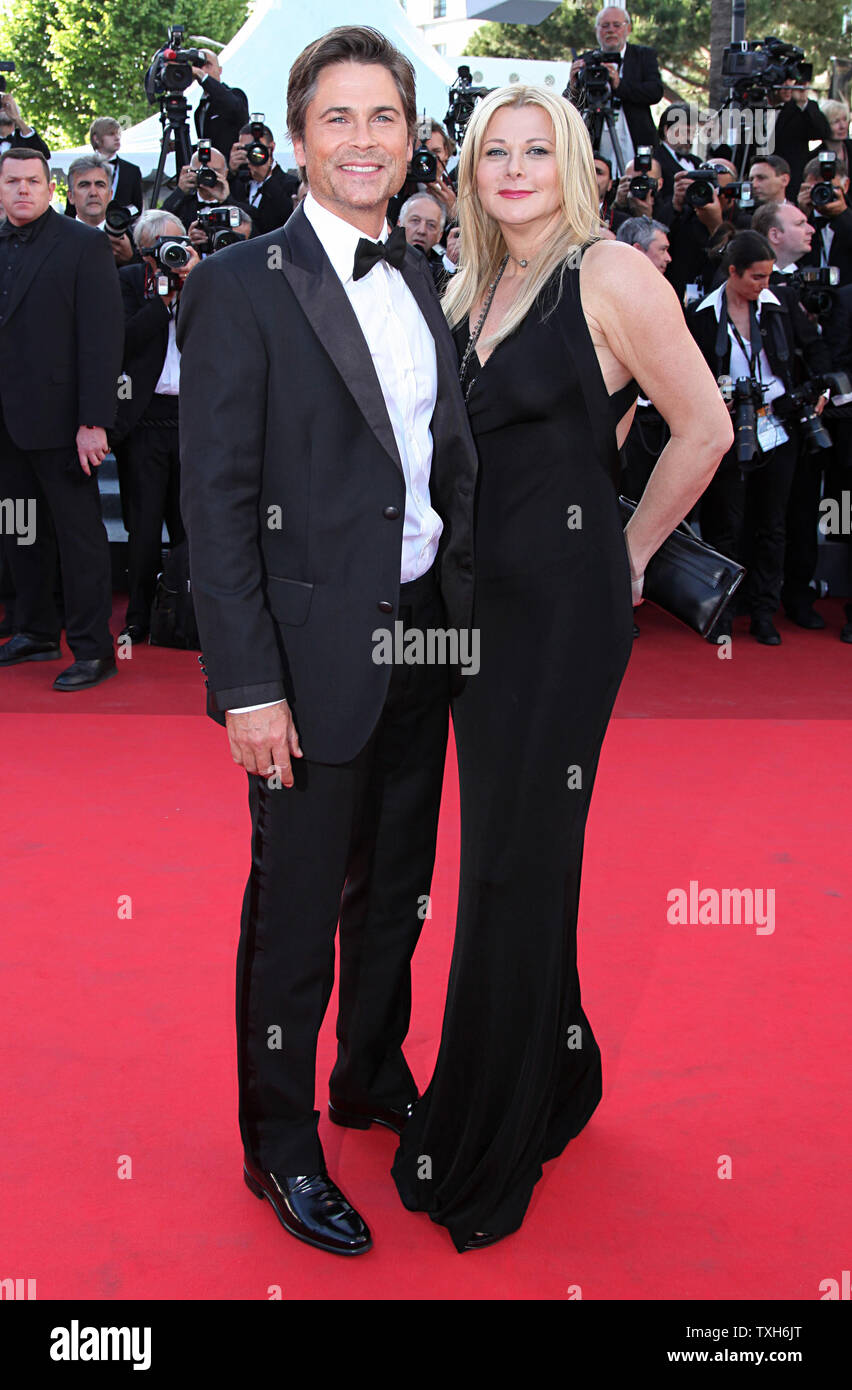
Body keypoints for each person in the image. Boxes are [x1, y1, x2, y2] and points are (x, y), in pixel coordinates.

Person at [390, 84, 732, 1251]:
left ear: (574, 161)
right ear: (472, 166)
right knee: (510, 856)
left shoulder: (610, 276)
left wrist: (629, 554)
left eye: (540, 148)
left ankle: (486, 1127)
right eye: (498, 150)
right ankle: (562, 1068)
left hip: (563, 619)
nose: (518, 166)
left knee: (506, 871)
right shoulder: (468, 285)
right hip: (475, 615)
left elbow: (706, 426)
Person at [177, 26, 478, 1257]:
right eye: (339, 119)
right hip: (304, 661)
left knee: (397, 888)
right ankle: (280, 1142)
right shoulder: (238, 283)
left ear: (415, 137)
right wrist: (250, 686)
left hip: (421, 643)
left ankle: (366, 1072)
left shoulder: (420, 275)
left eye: (385, 118)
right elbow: (215, 501)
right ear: (300, 137)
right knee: (296, 911)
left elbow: (437, 472)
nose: (364, 141)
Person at [0, 149, 123, 690]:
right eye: (11, 182)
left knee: (79, 539)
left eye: (32, 181)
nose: (22, 190)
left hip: (64, 422)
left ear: (51, 189)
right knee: (19, 529)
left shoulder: (84, 244)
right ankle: (35, 629)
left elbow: (102, 338)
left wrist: (94, 419)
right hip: (5, 423)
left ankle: (94, 649)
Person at [688, 230, 829, 645]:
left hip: (780, 427)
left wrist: (820, 392)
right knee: (725, 524)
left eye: (768, 276)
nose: (764, 284)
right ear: (732, 272)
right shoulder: (704, 315)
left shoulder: (781, 305)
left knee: (773, 523)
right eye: (756, 277)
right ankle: (724, 614)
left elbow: (815, 349)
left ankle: (765, 612)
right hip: (729, 428)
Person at [112, 211, 201, 642]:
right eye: (163, 247)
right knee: (143, 526)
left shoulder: (204, 277)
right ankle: (139, 614)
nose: (172, 255)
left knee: (190, 522)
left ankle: (186, 612)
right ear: (145, 249)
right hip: (144, 420)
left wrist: (193, 281)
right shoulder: (129, 281)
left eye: (178, 244)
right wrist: (160, 302)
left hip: (193, 419)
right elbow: (121, 339)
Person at [568, 6, 663, 173]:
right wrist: (573, 85)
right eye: (605, 26)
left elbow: (655, 92)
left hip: (634, 136)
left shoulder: (643, 55)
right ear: (596, 30)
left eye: (616, 25)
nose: (611, 30)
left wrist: (619, 84)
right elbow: (571, 105)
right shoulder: (587, 60)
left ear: (628, 28)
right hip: (597, 137)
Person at [227, 121, 299, 234]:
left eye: (257, 148)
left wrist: (266, 178)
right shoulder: (235, 183)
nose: (252, 153)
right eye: (247, 148)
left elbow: (287, 221)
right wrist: (230, 173)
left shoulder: (291, 184)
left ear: (272, 148)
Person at [64, 116, 143, 219]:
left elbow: (137, 207)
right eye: (111, 134)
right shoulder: (80, 168)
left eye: (118, 134)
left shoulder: (132, 171)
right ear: (96, 138)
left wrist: (120, 216)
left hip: (119, 230)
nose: (117, 138)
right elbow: (70, 210)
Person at [797, 156, 852, 286]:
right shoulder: (797, 218)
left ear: (846, 185)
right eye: (817, 188)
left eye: (829, 188)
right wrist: (802, 216)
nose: (823, 194)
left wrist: (843, 215)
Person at [191, 49, 249, 161]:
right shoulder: (200, 109)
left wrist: (203, 77)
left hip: (233, 171)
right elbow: (209, 147)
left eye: (208, 65)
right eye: (198, 65)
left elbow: (234, 108)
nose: (202, 69)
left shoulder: (235, 95)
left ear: (220, 70)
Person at [398, 191, 452, 292]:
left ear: (439, 236)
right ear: (399, 224)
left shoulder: (442, 269)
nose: (421, 231)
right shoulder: (381, 262)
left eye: (431, 225)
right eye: (415, 221)